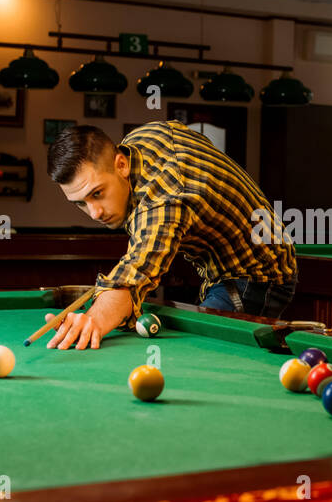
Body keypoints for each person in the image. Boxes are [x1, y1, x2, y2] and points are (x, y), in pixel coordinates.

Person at [45, 121, 297, 349]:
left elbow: (137, 271)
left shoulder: (165, 199)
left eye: (97, 193)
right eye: (80, 203)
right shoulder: (143, 138)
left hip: (258, 275)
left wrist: (93, 321)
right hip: (226, 266)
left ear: (121, 164)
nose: (94, 213)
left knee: (204, 354)